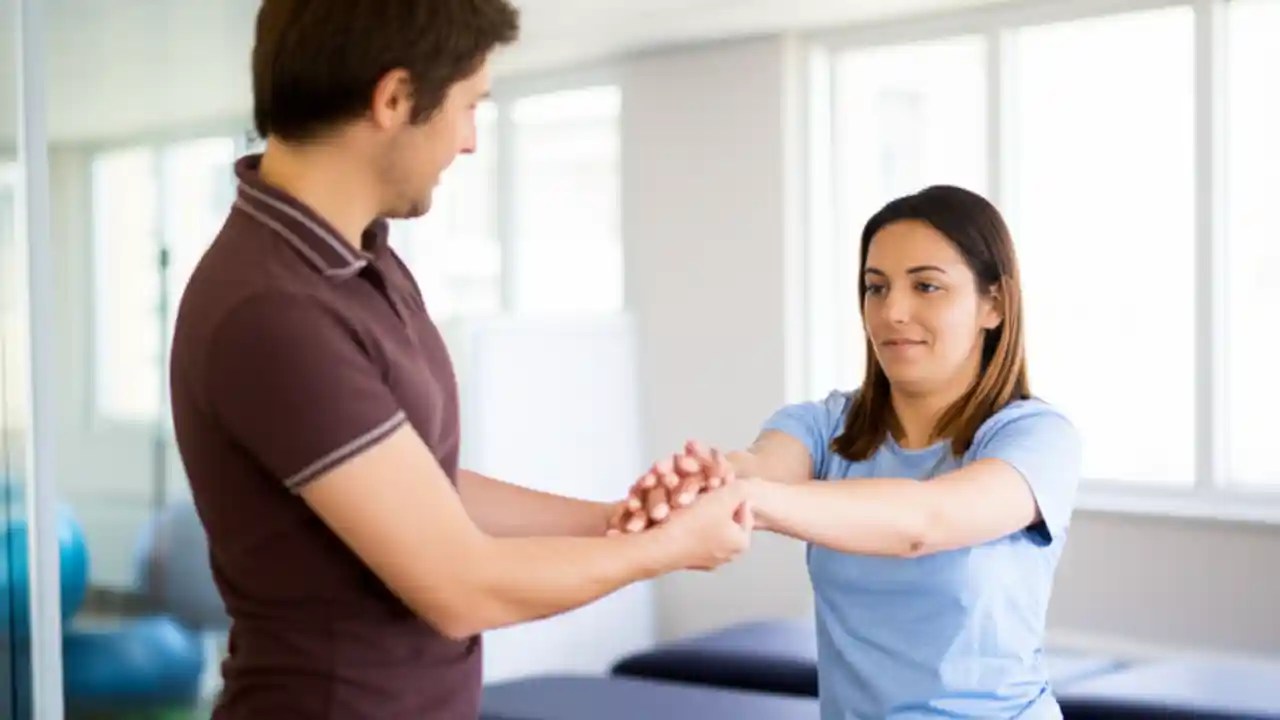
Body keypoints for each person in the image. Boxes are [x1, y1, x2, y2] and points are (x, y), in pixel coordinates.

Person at [168, 2, 753, 719]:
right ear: (394, 98)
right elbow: (460, 586)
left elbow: (424, 491)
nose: (471, 142)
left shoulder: (360, 261)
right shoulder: (271, 308)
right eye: (470, 106)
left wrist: (616, 520)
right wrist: (666, 551)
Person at [616, 185, 1083, 719]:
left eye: (927, 286)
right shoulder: (823, 426)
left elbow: (925, 521)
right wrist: (710, 479)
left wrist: (751, 497)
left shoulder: (1036, 438)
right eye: (876, 287)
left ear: (993, 304)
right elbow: (764, 466)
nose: (892, 313)